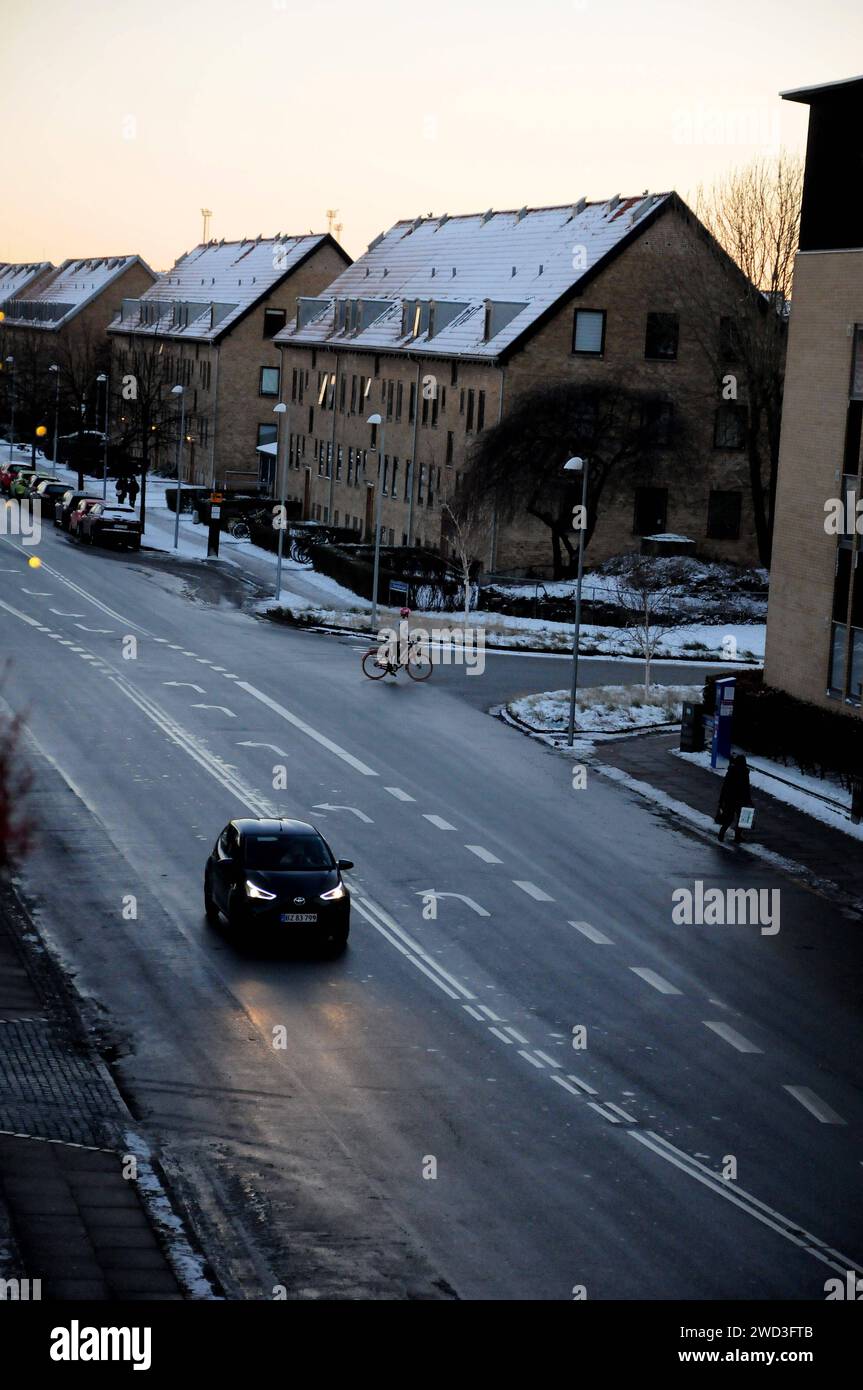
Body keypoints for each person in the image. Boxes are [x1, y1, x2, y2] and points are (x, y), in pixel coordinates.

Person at [716, 753, 752, 843]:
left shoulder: (731, 771)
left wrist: (721, 800)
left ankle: (721, 834)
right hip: (740, 799)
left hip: (729, 799)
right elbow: (746, 788)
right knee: (742, 819)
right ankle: (737, 836)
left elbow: (725, 787)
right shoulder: (745, 772)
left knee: (729, 818)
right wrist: (749, 800)